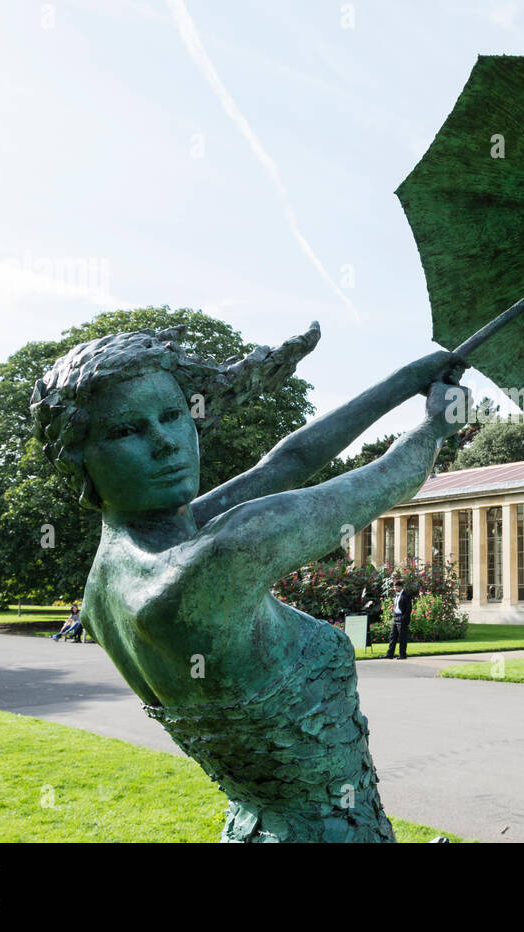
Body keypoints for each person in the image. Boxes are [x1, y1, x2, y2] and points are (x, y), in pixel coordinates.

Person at [29, 324, 466, 842]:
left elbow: (286, 463)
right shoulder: (219, 555)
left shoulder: (105, 586)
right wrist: (439, 425)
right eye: (126, 431)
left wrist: (404, 381)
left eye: (172, 416)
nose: (166, 442)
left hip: (252, 827)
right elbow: (391, 476)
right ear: (76, 458)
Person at [384, 577, 413, 660]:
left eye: (396, 587)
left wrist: (404, 618)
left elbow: (409, 608)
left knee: (402, 638)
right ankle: (390, 654)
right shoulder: (396, 595)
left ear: (401, 587)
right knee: (392, 636)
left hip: (402, 618)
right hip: (395, 617)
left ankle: (402, 655)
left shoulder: (406, 595)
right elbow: (396, 606)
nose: (395, 588)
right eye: (394, 587)